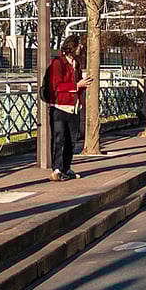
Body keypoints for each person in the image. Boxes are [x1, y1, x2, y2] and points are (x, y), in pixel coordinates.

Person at [47, 35, 92, 182]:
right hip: (60, 107)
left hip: (74, 107)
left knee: (72, 140)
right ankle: (57, 169)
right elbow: (57, 86)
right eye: (79, 45)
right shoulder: (58, 63)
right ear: (72, 46)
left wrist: (82, 84)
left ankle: (66, 167)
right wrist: (77, 86)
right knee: (59, 139)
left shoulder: (76, 64)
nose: (81, 48)